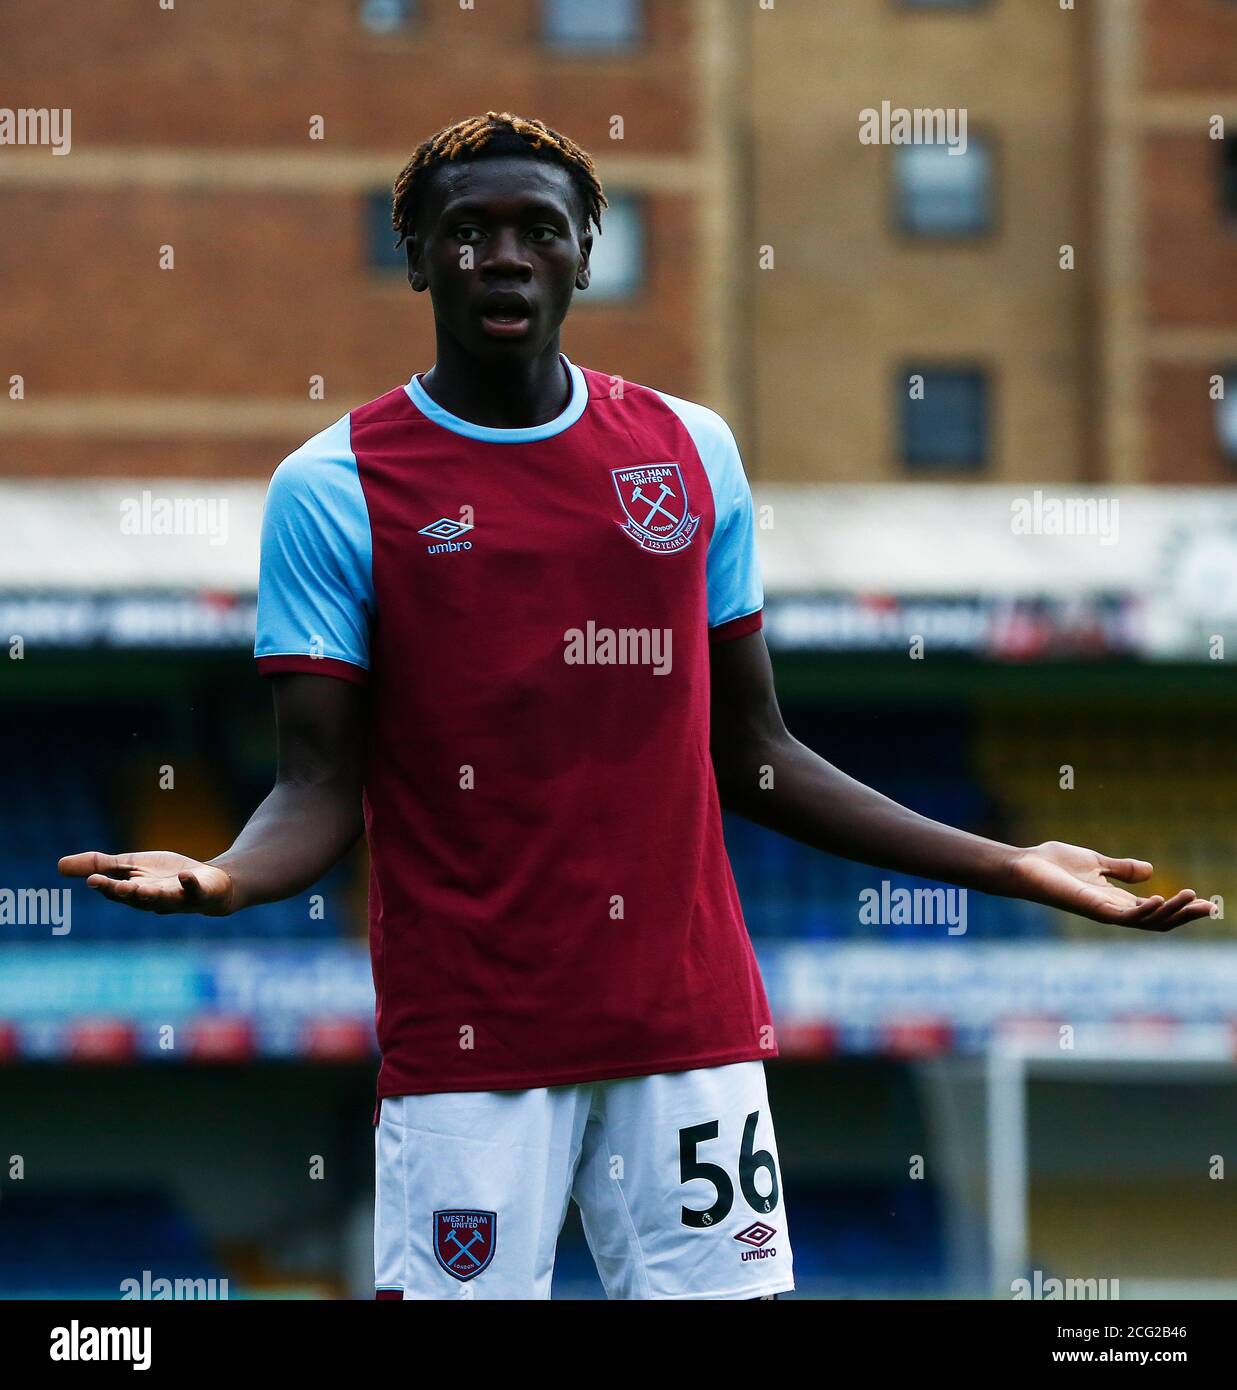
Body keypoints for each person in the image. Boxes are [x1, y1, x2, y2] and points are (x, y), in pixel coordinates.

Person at [60, 112, 1213, 1301]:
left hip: (689, 1034)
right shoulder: (336, 485)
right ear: (416, 259)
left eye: (537, 229)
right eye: (467, 231)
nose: (502, 254)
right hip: (471, 1045)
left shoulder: (687, 450)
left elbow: (755, 752)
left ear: (583, 255)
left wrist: (1012, 865)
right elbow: (317, 782)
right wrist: (225, 877)